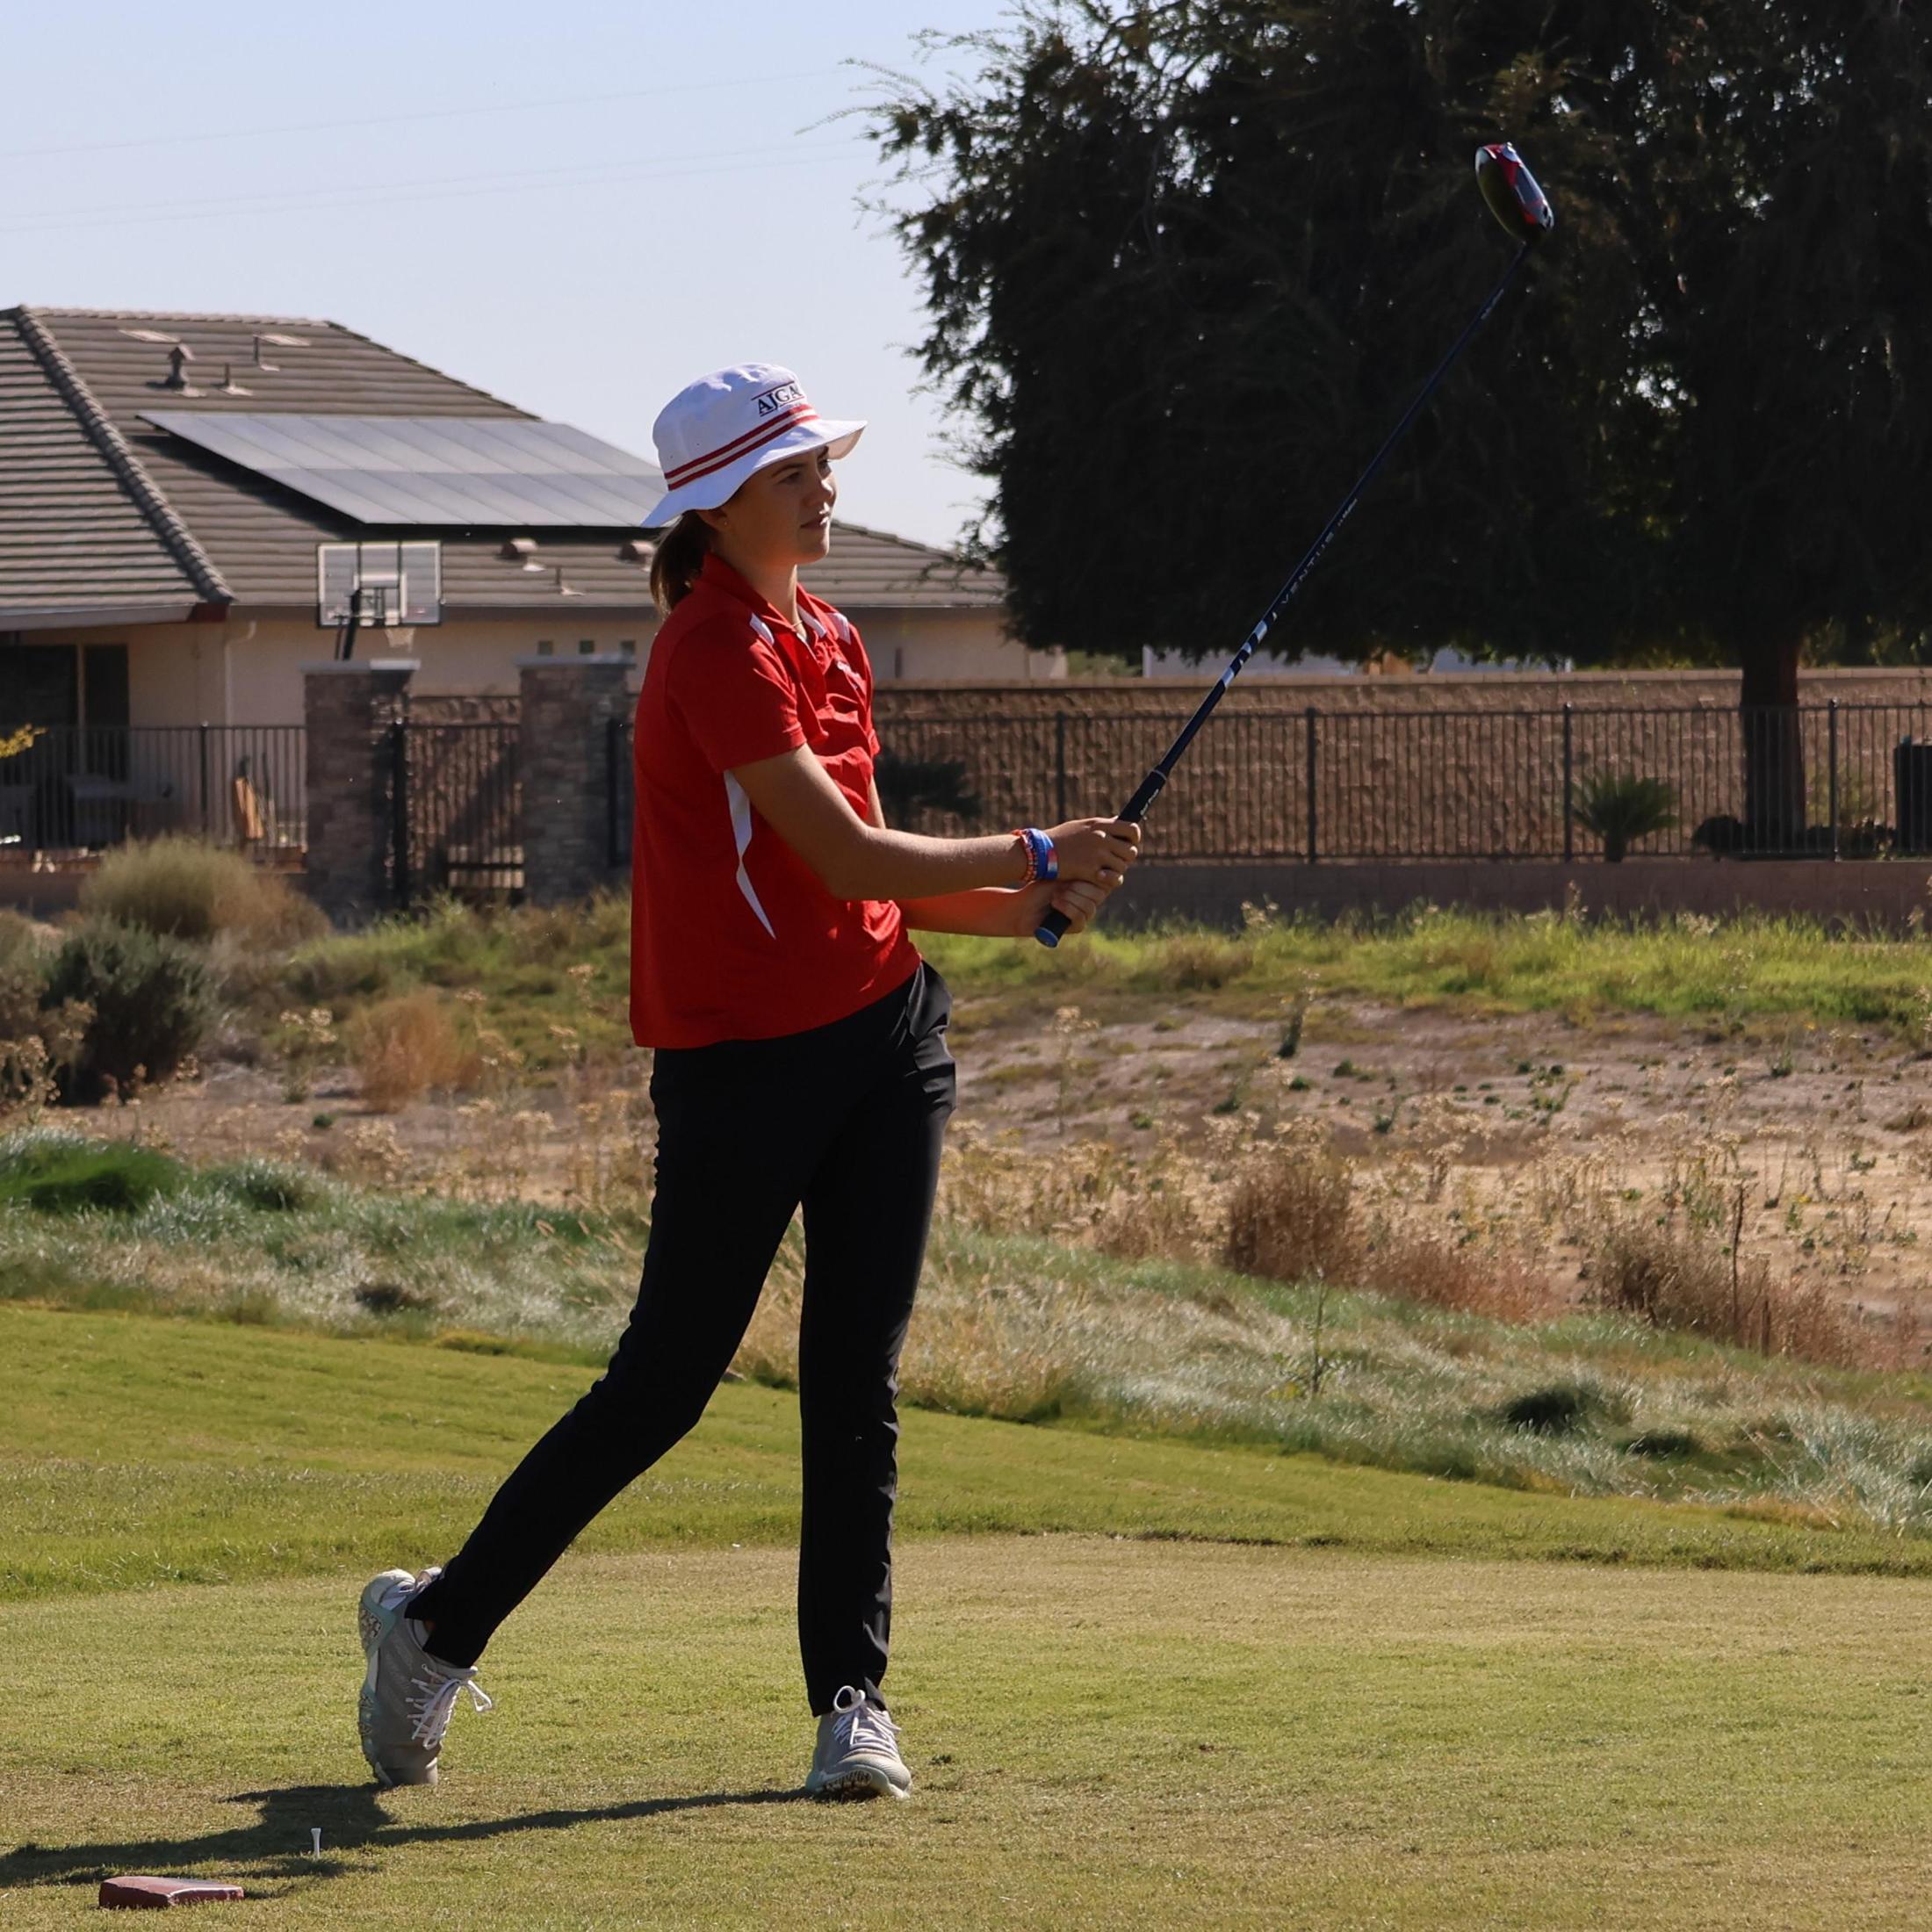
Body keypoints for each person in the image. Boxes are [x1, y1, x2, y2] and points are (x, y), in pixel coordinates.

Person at [356, 364, 1141, 1801]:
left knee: (857, 1382)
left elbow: (873, 893)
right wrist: (1035, 853)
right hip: (737, 1067)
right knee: (663, 1388)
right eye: (796, 474)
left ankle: (853, 1701)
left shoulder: (828, 633)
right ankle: (432, 1631)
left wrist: (1029, 913)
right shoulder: (709, 651)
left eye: (819, 464)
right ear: (718, 510)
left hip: (886, 1040)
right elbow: (844, 855)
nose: (826, 485)